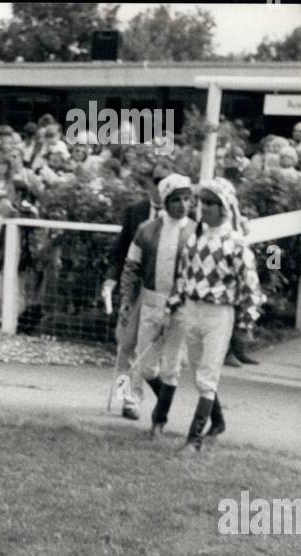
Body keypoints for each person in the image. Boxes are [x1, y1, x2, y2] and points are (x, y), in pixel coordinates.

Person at [164, 179, 263, 449]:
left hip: (218, 313)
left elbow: (250, 286)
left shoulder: (237, 243)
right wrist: (173, 304)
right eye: (202, 202)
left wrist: (246, 321)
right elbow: (183, 277)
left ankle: (193, 439)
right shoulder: (196, 237)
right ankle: (217, 423)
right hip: (192, 310)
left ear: (224, 207)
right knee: (197, 374)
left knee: (207, 375)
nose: (203, 208)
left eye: (210, 203)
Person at [117, 174, 195, 434]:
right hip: (146, 299)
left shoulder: (195, 231)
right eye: (176, 200)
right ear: (164, 199)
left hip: (179, 304)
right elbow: (129, 263)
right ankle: (126, 396)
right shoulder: (145, 226)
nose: (182, 205)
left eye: (187, 199)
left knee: (170, 363)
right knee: (129, 350)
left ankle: (159, 412)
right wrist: (125, 297)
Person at [102, 163, 172, 420]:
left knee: (148, 350)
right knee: (126, 345)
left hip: (161, 292)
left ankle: (138, 397)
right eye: (158, 181)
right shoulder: (135, 212)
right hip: (134, 288)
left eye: (167, 182)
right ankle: (125, 397)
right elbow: (119, 252)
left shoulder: (177, 219)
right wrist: (111, 279)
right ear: (149, 184)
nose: (162, 187)